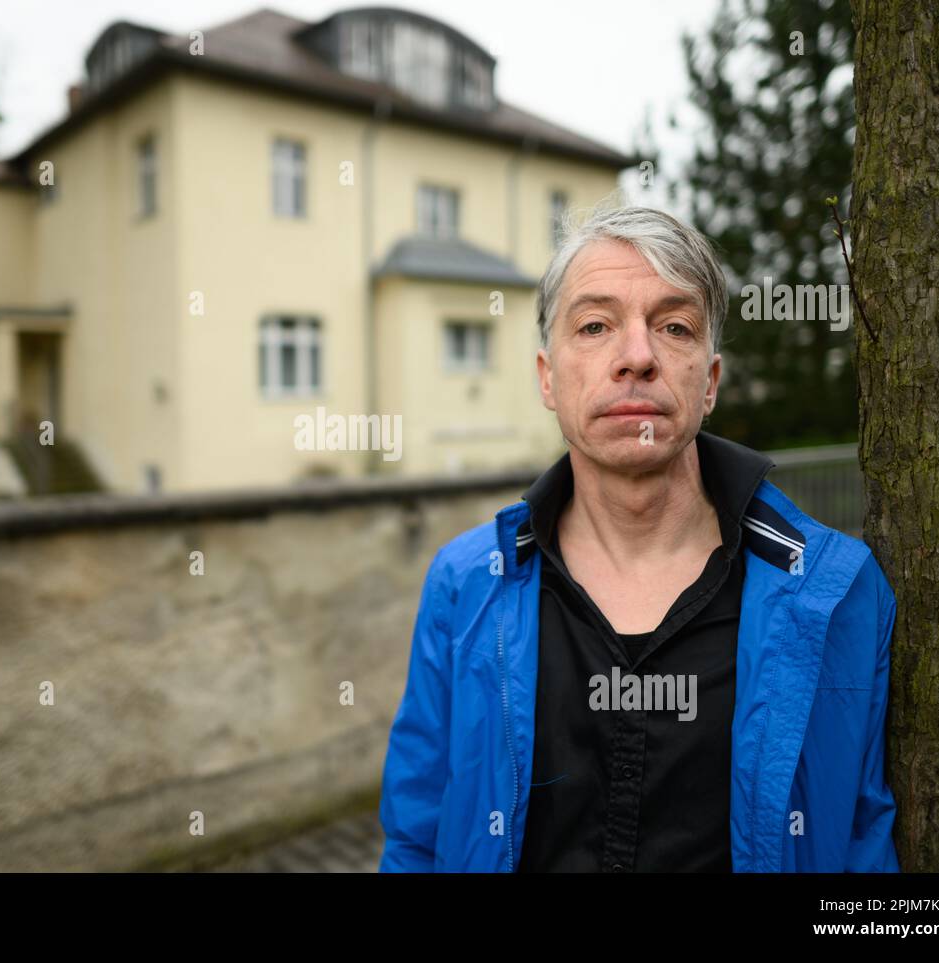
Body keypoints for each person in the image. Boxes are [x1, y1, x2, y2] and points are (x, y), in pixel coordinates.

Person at [377, 205, 898, 872]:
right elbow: (416, 838)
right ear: (547, 377)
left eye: (673, 326)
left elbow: (861, 846)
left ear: (708, 382)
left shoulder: (837, 592)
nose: (637, 357)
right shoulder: (465, 583)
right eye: (594, 325)